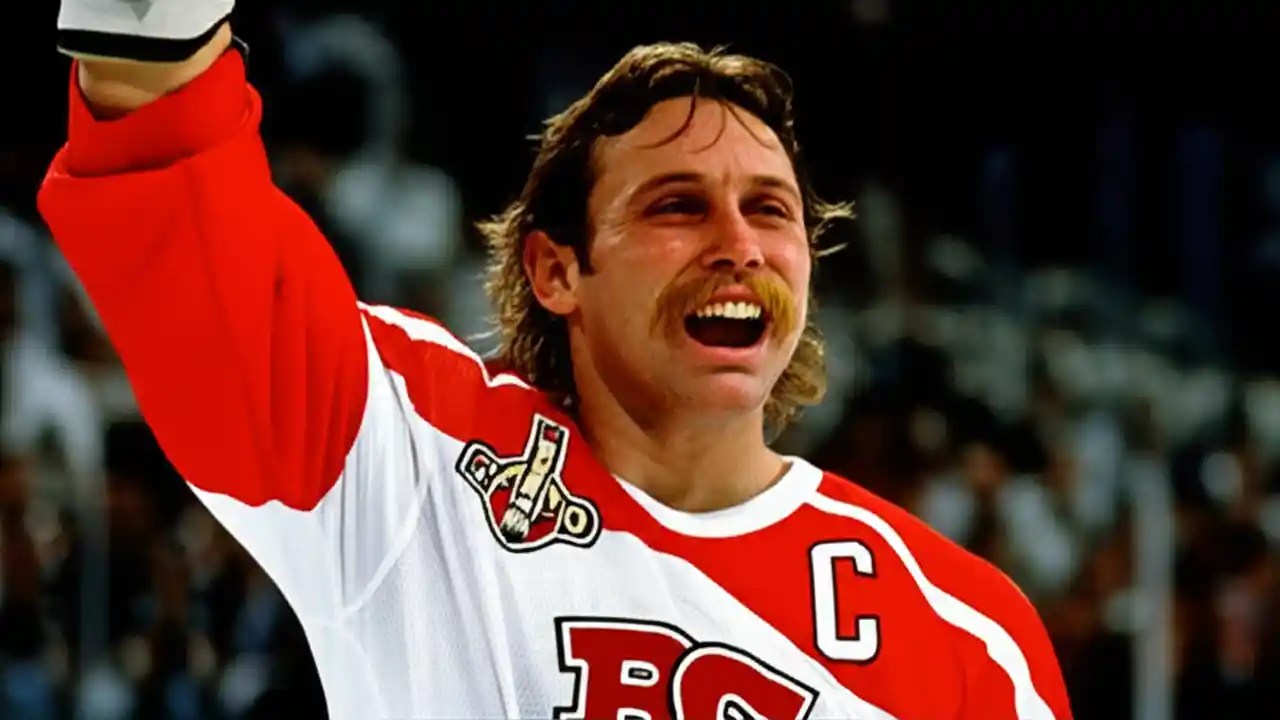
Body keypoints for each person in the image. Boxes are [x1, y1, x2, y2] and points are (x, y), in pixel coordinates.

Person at [41, 3, 1073, 718]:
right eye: (676, 205)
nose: (738, 243)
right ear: (554, 270)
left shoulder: (964, 638)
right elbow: (168, 163)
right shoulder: (411, 458)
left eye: (770, 210)